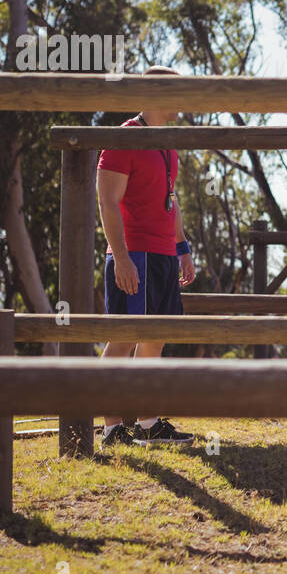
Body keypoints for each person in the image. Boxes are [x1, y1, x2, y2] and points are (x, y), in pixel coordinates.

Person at [95, 66, 196, 448]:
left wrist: (182, 248)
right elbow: (106, 201)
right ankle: (111, 428)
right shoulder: (124, 138)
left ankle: (149, 424)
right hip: (133, 253)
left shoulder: (167, 143)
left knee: (156, 337)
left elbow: (172, 202)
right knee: (122, 340)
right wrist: (120, 257)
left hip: (163, 255)